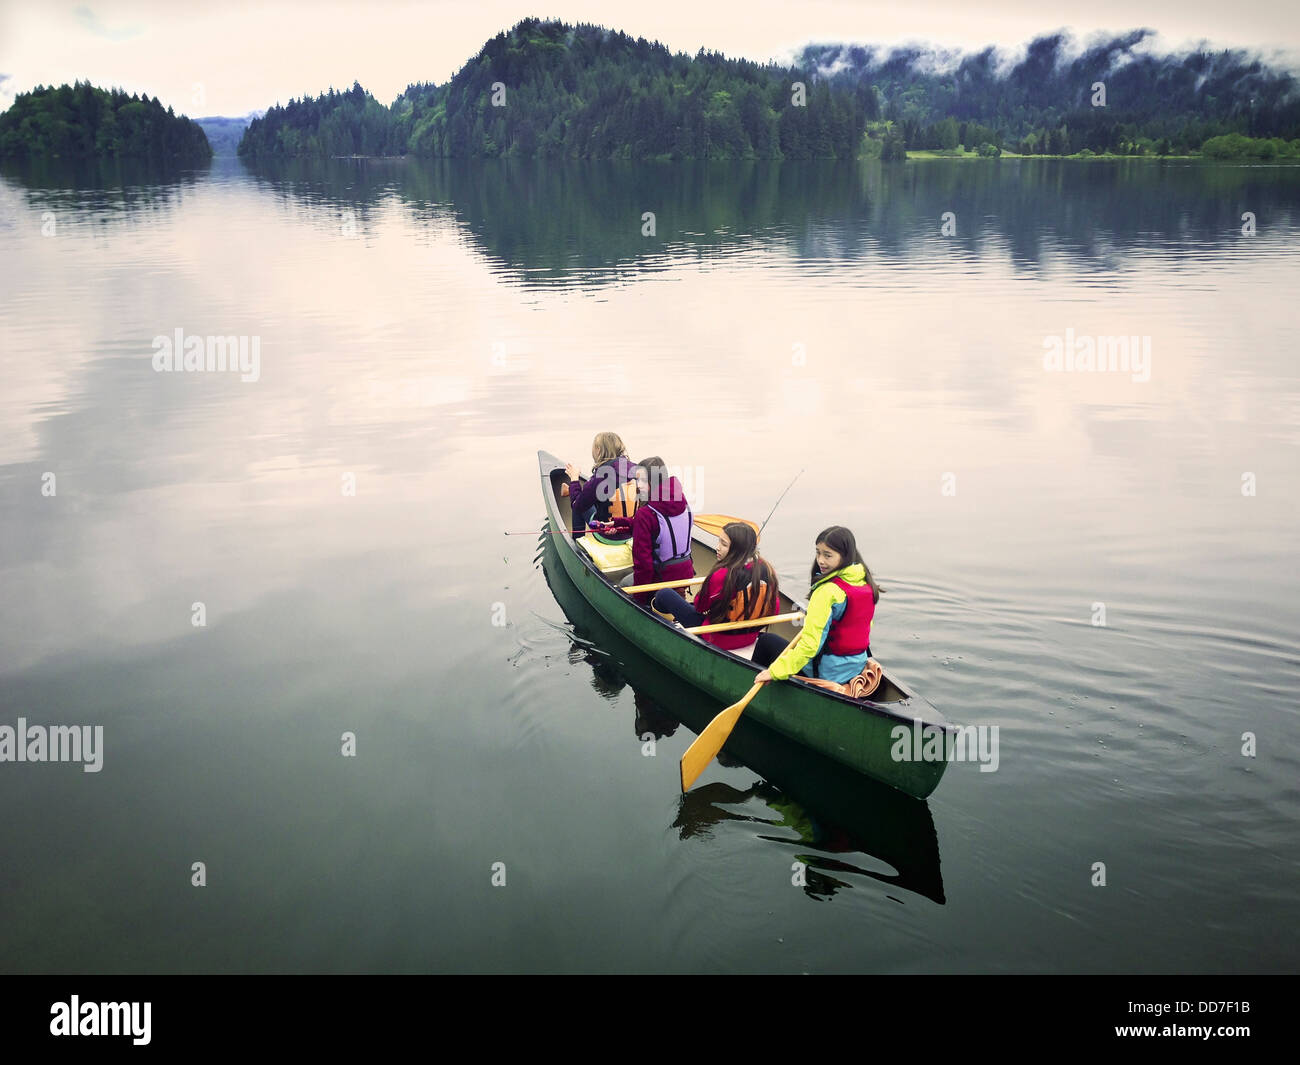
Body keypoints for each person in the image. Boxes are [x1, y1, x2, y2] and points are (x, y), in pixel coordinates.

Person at [753, 526, 879, 684]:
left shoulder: (827, 592)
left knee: (765, 641)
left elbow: (810, 645)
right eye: (818, 553)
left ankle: (751, 685)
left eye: (828, 555)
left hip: (825, 673)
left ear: (845, 556)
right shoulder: (866, 584)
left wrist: (775, 671)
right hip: (855, 667)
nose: (820, 560)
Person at [651, 522, 777, 653]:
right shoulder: (767, 570)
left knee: (664, 594)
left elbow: (700, 606)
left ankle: (661, 627)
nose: (717, 547)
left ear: (738, 549)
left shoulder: (723, 575)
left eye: (724, 544)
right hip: (749, 637)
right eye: (719, 542)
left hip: (715, 637)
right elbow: (775, 608)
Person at [619, 456, 694, 604]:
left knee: (623, 584)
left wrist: (639, 600)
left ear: (654, 482)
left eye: (642, 480)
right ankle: (678, 598)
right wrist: (617, 524)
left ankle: (651, 605)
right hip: (686, 572)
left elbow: (643, 566)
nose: (638, 485)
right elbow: (657, 527)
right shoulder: (683, 502)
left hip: (661, 577)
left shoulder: (645, 513)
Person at [565, 432, 637, 536]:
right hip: (632, 531)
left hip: (607, 534)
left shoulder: (601, 476)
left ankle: (577, 542)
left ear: (598, 450)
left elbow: (578, 505)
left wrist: (574, 479)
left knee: (577, 502)